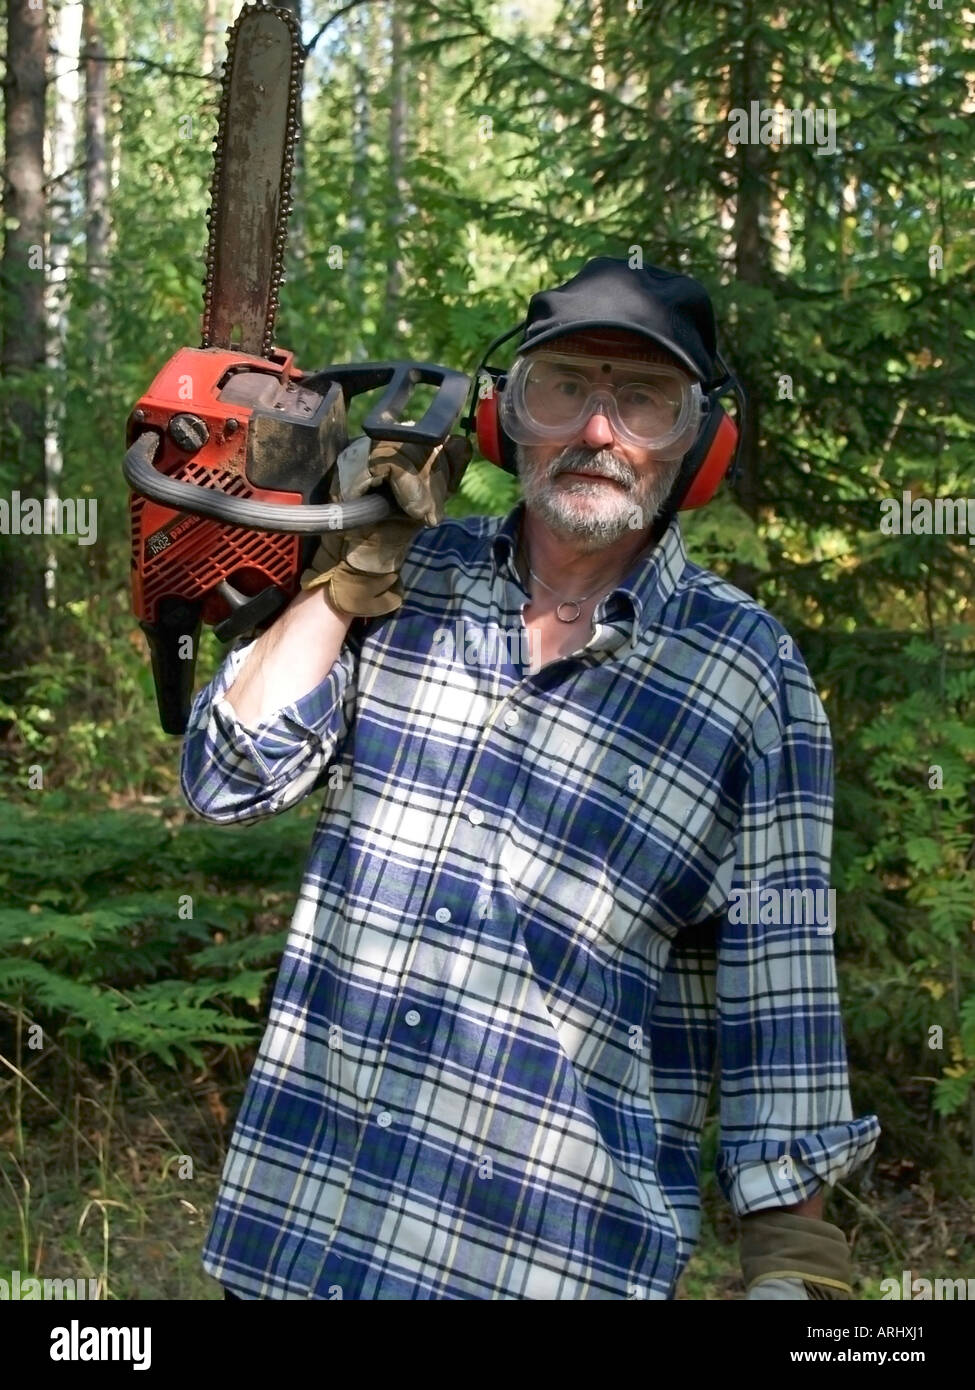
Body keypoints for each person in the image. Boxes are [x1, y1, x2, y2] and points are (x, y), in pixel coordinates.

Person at [181, 256, 880, 1301]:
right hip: (299, 1242)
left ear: (701, 442)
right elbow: (227, 775)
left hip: (541, 1269)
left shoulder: (748, 675)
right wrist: (340, 583)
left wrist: (794, 1261)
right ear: (509, 418)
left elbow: (783, 990)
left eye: (644, 399)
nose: (600, 431)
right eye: (566, 387)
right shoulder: (405, 574)